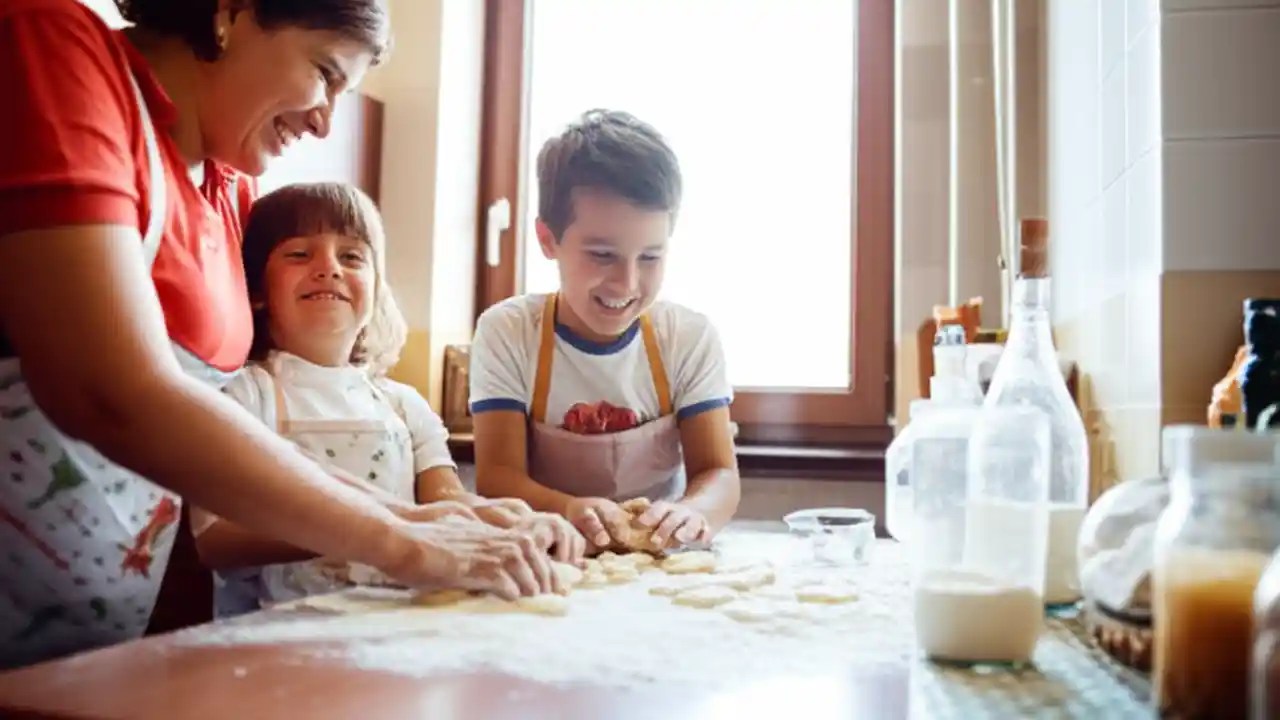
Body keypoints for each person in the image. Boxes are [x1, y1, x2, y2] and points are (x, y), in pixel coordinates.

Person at [0, 0, 552, 668]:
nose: (325, 120)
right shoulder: (52, 44)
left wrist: (418, 517)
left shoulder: (229, 189)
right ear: (233, 12)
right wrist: (399, 540)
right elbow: (107, 389)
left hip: (92, 634)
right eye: (324, 72)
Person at [192, 182, 585, 616]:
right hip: (279, 633)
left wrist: (506, 519)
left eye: (352, 256)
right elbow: (214, 539)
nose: (329, 268)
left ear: (376, 290)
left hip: (398, 619)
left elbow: (445, 503)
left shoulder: (401, 405)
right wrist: (357, 533)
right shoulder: (245, 395)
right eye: (299, 254)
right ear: (257, 290)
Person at [469, 109, 741, 554]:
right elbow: (498, 478)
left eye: (650, 257)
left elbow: (719, 474)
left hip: (661, 562)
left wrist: (695, 512)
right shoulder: (510, 332)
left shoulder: (688, 338)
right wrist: (568, 508)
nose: (627, 284)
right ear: (547, 240)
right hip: (551, 555)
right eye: (601, 255)